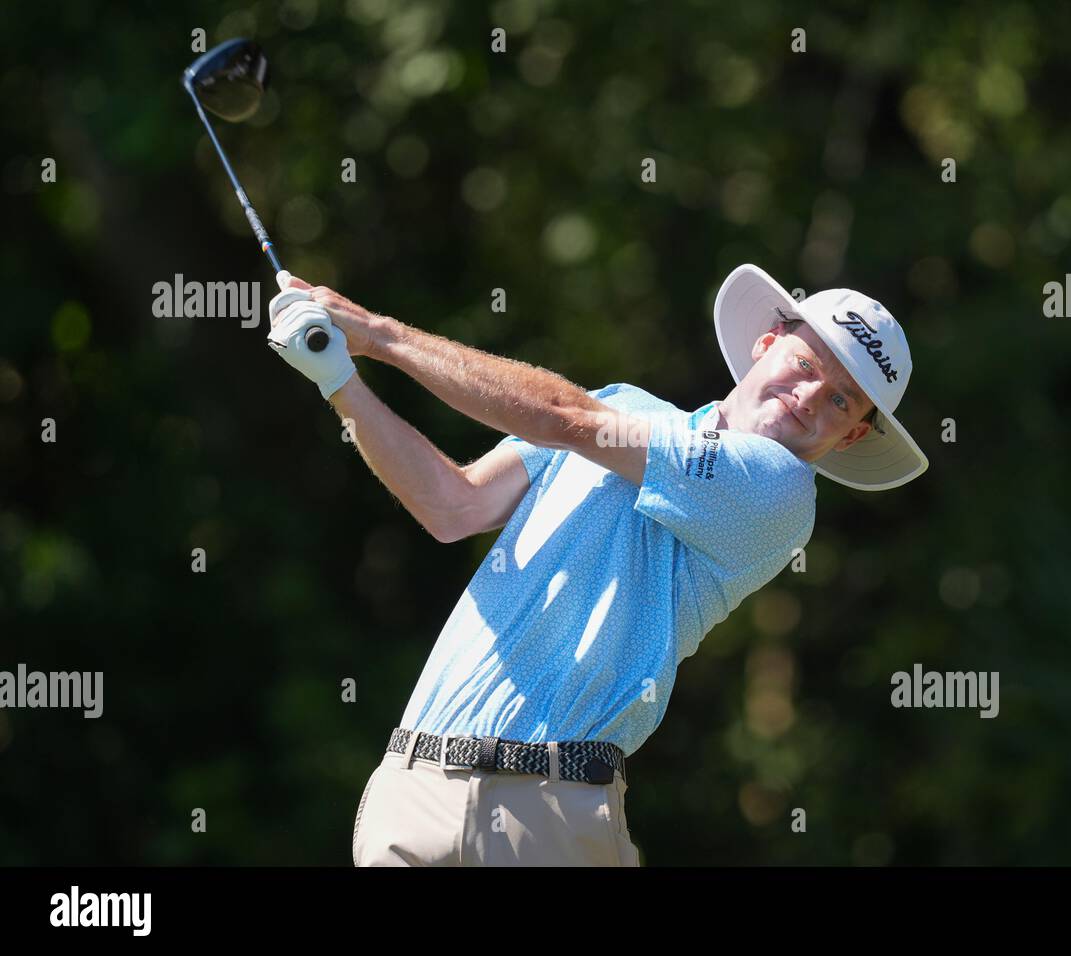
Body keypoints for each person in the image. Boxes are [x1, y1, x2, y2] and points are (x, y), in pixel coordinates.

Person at [266, 263, 928, 866]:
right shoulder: (628, 407)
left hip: (549, 816)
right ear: (768, 342)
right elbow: (454, 506)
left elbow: (566, 418)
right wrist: (340, 381)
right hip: (412, 788)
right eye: (806, 361)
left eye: (842, 400)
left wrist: (378, 336)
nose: (810, 396)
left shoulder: (778, 490)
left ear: (852, 436)